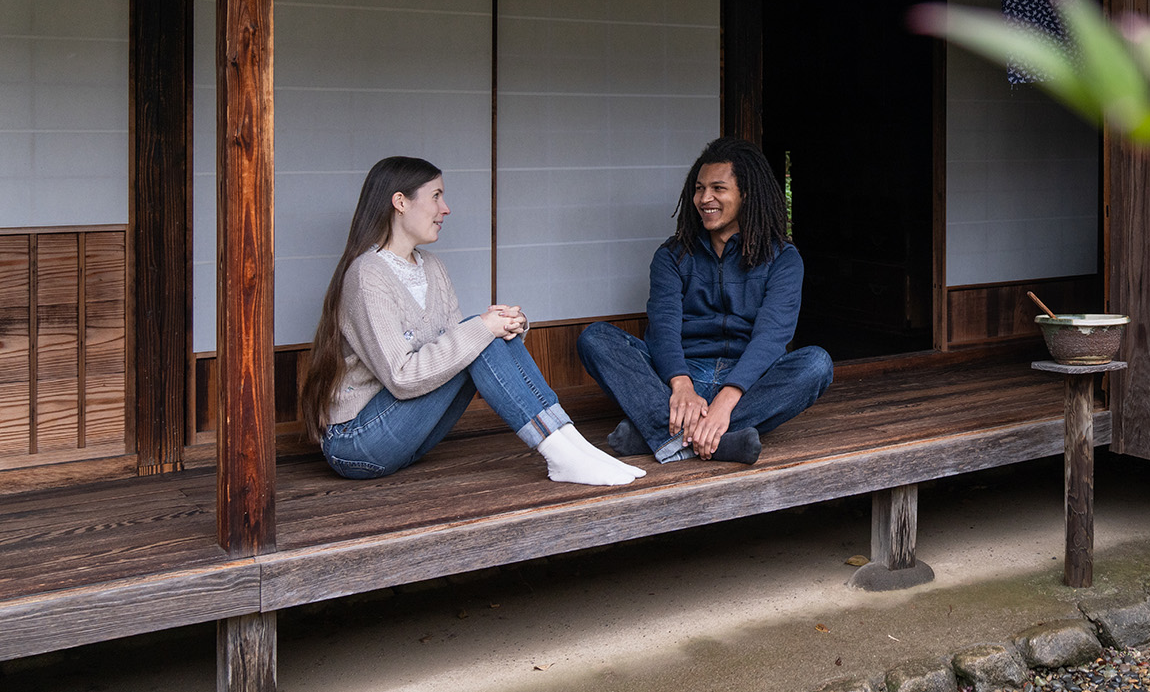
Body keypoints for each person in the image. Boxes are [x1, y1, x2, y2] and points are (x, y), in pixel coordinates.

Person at [297, 156, 643, 487]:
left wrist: (507, 326)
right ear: (400, 202)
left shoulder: (432, 266)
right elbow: (402, 378)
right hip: (356, 442)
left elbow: (456, 349)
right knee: (478, 334)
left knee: (482, 336)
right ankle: (562, 452)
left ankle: (573, 447)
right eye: (436, 196)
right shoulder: (367, 275)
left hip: (408, 435)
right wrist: (483, 328)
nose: (445, 208)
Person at [578, 137, 832, 465]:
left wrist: (727, 399)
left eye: (718, 188)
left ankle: (665, 435)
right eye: (699, 188)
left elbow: (771, 337)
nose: (704, 198)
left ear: (746, 194)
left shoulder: (782, 259)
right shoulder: (673, 255)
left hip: (748, 382)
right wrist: (681, 384)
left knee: (816, 364)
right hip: (680, 378)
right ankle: (719, 442)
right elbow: (663, 327)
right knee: (595, 338)